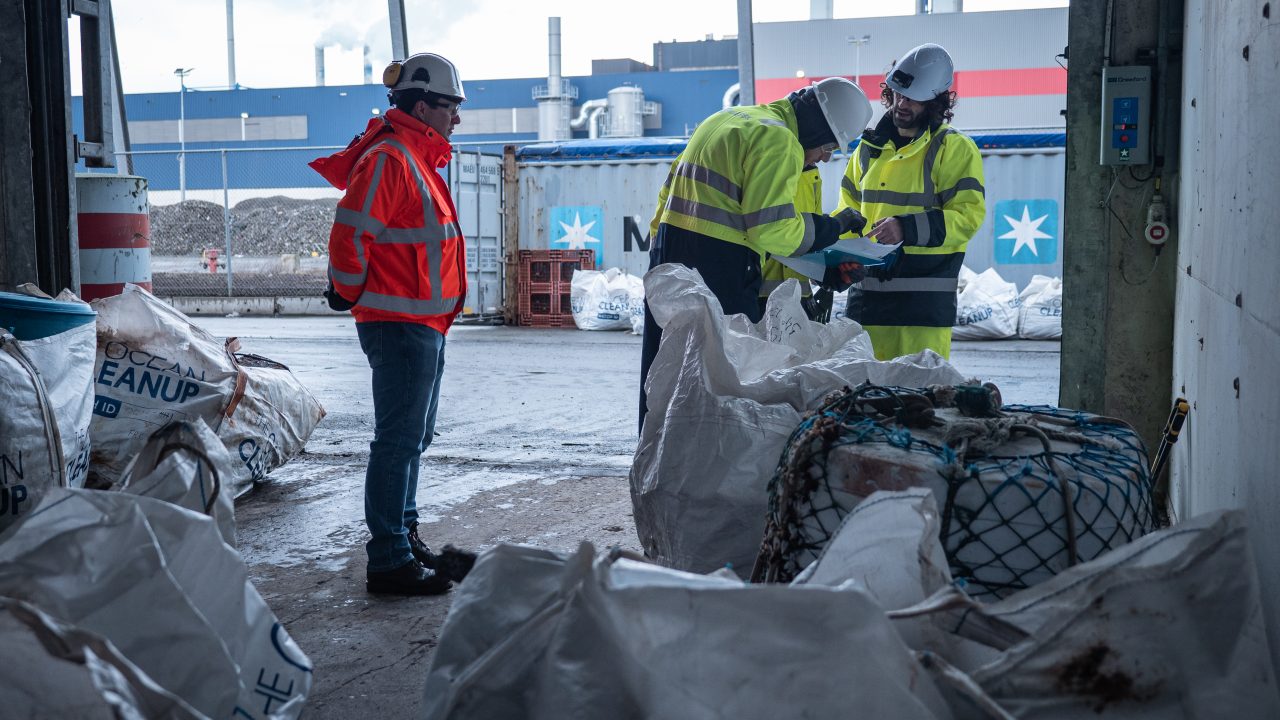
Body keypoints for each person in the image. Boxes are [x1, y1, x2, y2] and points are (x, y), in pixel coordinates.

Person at [309, 52, 474, 596]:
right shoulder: (392, 159)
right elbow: (352, 233)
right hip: (399, 321)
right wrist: (349, 290)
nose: (457, 116)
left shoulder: (414, 155)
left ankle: (402, 537)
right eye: (451, 106)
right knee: (398, 440)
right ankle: (389, 559)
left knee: (412, 438)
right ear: (423, 105)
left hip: (423, 321)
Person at [639, 78, 873, 431]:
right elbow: (772, 230)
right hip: (721, 269)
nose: (826, 157)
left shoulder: (727, 119)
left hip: (670, 262)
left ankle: (656, 459)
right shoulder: (780, 141)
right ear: (816, 128)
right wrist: (833, 226)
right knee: (722, 383)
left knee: (664, 372)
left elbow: (665, 201)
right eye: (828, 146)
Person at [836, 43, 986, 361]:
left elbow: (967, 217)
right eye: (898, 94)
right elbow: (847, 211)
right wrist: (838, 254)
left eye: (913, 98)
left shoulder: (954, 149)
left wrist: (905, 228)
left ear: (936, 101)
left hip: (923, 308)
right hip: (868, 300)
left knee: (920, 399)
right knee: (864, 397)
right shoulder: (867, 149)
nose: (902, 104)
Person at [758, 159, 831, 321]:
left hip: (800, 298)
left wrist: (827, 275)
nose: (826, 157)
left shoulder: (812, 173)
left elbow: (815, 236)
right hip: (758, 296)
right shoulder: (766, 168)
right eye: (826, 147)